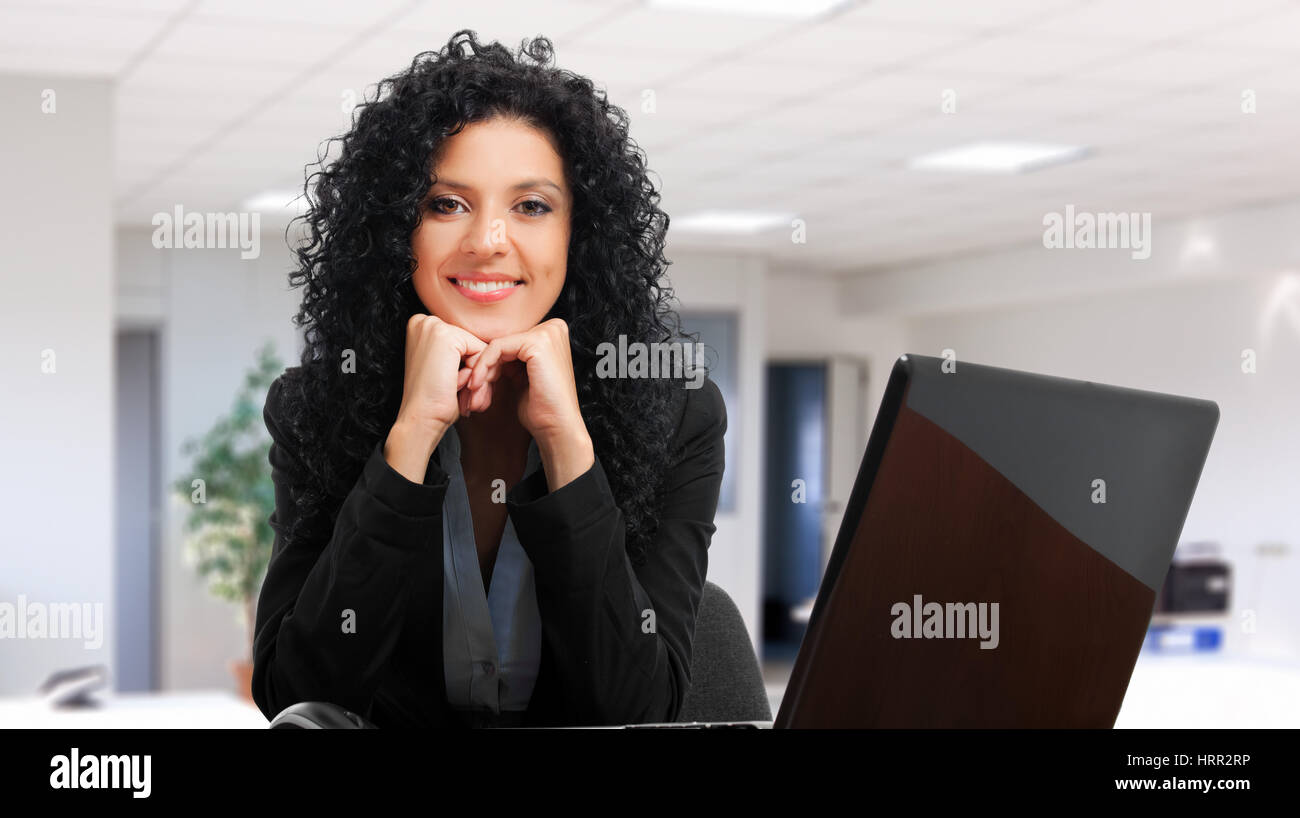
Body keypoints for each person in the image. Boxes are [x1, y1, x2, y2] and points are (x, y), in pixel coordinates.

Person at [250, 29, 727, 728]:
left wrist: (568, 445)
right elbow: (297, 694)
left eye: (531, 206)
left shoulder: (679, 414)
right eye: (446, 204)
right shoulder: (314, 407)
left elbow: (639, 707)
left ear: (578, 234)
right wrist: (408, 443)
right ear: (395, 231)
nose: (488, 241)